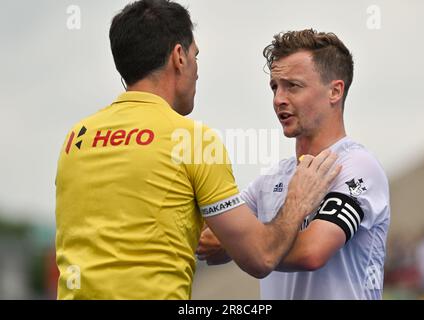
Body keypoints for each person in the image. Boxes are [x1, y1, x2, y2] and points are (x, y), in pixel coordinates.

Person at [55, 1, 340, 300]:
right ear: (179, 56)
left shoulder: (76, 139)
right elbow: (261, 257)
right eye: (196, 55)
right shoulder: (192, 140)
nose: (197, 70)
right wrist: (298, 198)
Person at [197, 29, 391, 300]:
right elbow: (208, 241)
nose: (279, 99)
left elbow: (312, 252)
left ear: (335, 91)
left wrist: (254, 243)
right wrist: (290, 209)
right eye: (275, 87)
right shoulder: (271, 180)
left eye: (293, 86)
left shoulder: (357, 166)